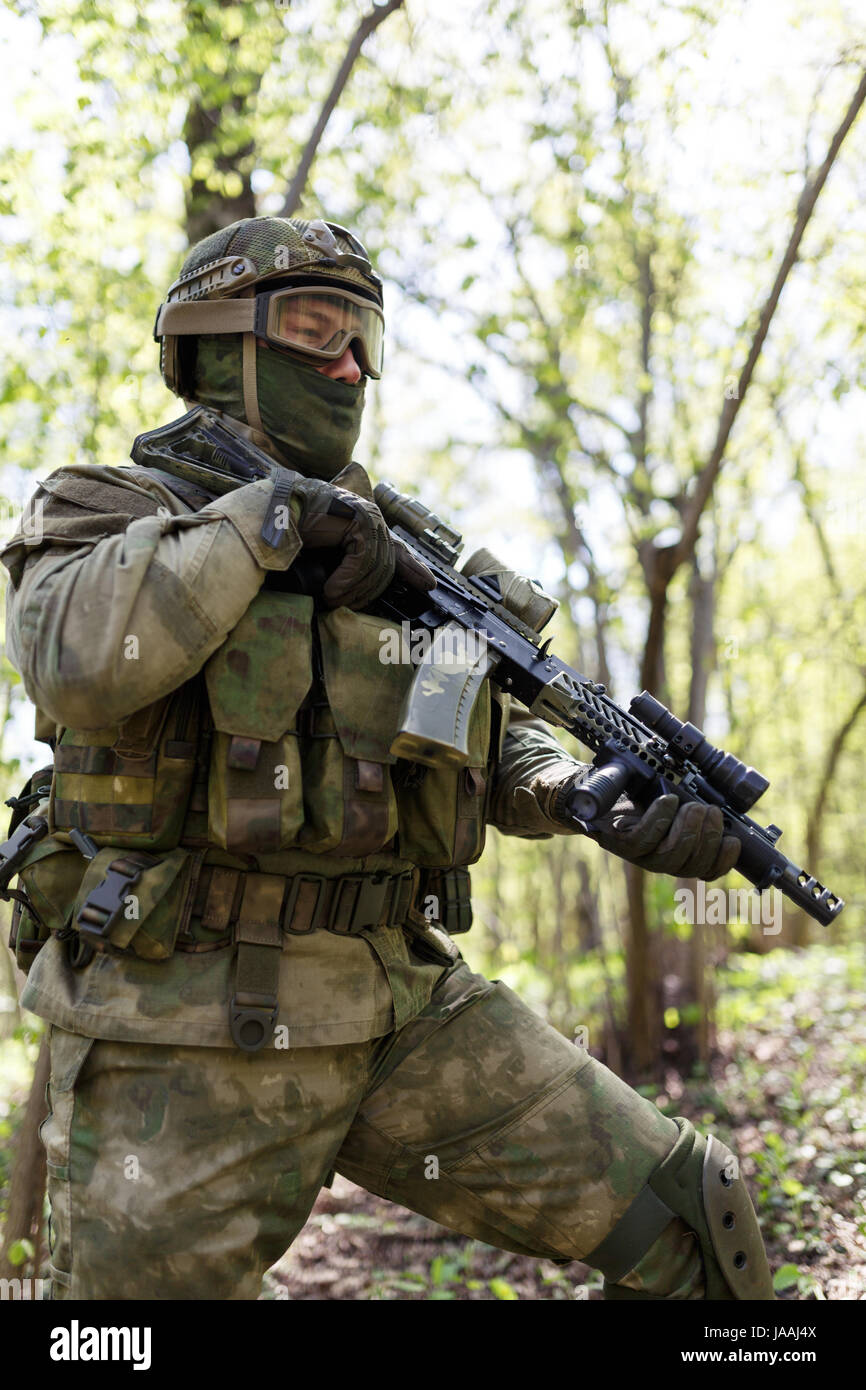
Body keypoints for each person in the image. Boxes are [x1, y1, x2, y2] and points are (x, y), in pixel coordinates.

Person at [0, 215, 773, 1301]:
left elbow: (488, 732)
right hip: (179, 1031)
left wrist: (579, 792)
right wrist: (272, 520)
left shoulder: (411, 560)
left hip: (400, 1003)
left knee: (697, 1223)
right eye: (318, 332)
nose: (351, 366)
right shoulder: (111, 507)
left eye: (364, 337)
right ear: (220, 346)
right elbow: (75, 657)